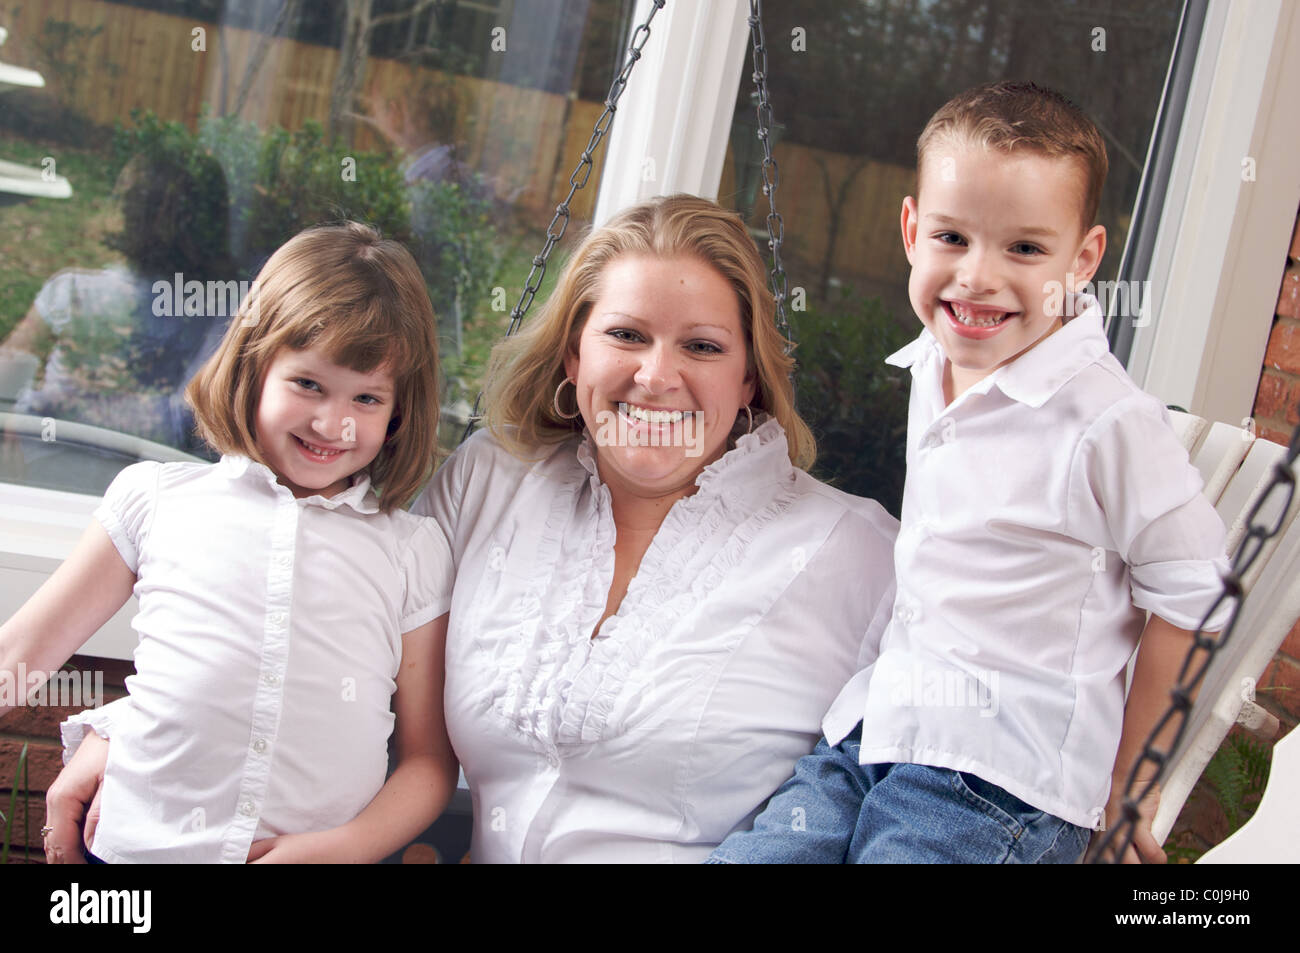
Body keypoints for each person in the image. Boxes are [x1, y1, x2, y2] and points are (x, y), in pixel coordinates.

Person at [37, 195, 899, 864]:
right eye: (625, 335)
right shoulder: (493, 480)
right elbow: (315, 611)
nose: (657, 375)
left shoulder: (853, 552)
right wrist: (122, 733)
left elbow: (952, 769)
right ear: (573, 358)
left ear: (751, 376)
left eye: (704, 347)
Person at [709, 82, 1231, 865]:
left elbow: (1196, 596)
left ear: (1083, 259)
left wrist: (1130, 788)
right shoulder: (937, 360)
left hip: (1000, 783)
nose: (977, 276)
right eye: (953, 237)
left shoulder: (1108, 424)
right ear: (912, 230)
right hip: (875, 733)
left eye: (1024, 248)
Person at [0, 222, 457, 863]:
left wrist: (343, 849)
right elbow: (20, 652)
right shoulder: (156, 500)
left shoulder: (411, 552)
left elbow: (428, 763)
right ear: (254, 365)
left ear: (398, 409)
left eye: (367, 397)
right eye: (308, 385)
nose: (334, 422)